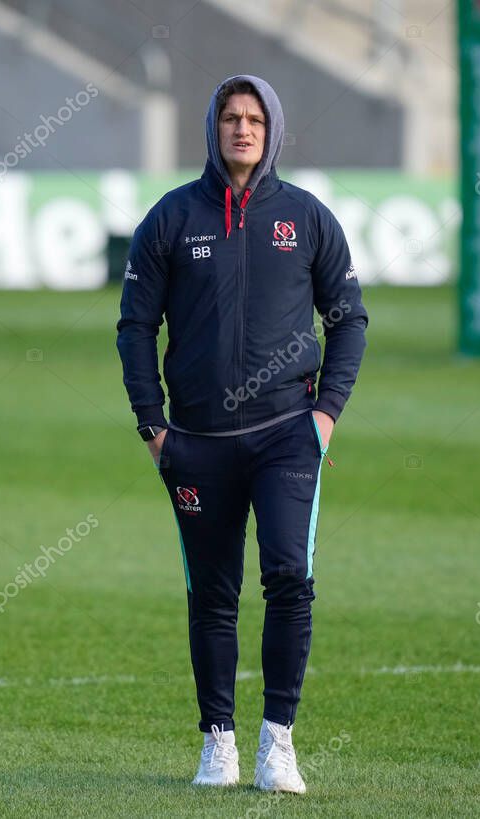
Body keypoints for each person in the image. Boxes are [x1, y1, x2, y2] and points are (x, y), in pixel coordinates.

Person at [116, 74, 367, 793]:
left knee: (290, 577)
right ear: (213, 127)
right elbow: (135, 326)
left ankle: (277, 742)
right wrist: (153, 426)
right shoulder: (171, 217)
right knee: (213, 594)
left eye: (255, 118)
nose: (243, 129)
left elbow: (348, 318)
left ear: (273, 128)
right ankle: (217, 743)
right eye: (231, 117)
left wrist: (325, 415)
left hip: (288, 435)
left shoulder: (307, 218)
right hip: (195, 441)